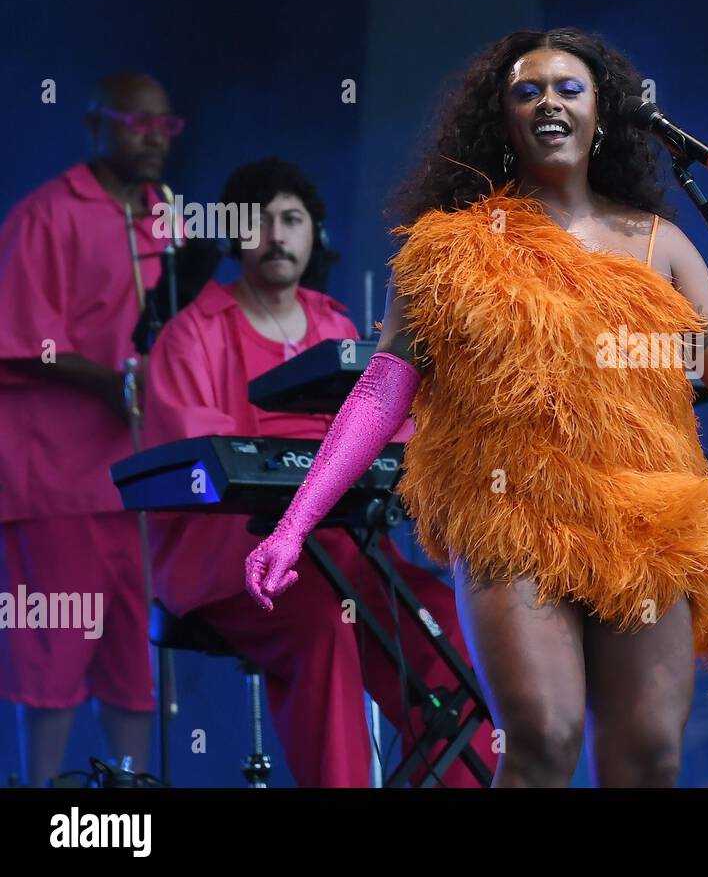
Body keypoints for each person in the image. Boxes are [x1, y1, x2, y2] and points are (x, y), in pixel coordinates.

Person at [245, 28, 708, 787]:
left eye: (570, 89)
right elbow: (382, 385)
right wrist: (296, 524)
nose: (549, 103)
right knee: (544, 736)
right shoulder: (449, 250)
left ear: (603, 115)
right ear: (501, 119)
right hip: (511, 516)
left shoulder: (662, 245)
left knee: (650, 757)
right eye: (527, 91)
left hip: (644, 525)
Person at [144, 158, 495, 787]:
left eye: (293, 219)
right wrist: (300, 460)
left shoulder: (335, 325)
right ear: (234, 236)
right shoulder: (190, 333)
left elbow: (397, 431)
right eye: (260, 221)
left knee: (455, 633)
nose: (277, 234)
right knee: (326, 629)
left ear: (315, 234)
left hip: (352, 555)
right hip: (237, 562)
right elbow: (204, 455)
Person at [0, 73, 178, 784]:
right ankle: (34, 793)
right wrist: (109, 381)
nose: (152, 138)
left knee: (135, 660)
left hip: (139, 482)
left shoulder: (165, 216)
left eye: (165, 127)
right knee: (51, 657)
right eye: (136, 122)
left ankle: (125, 804)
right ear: (94, 123)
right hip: (58, 483)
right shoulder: (46, 215)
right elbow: (17, 339)